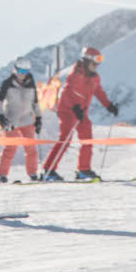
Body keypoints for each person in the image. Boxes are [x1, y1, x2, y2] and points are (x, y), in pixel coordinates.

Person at [40, 46, 118, 181]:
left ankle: (84, 170)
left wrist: (109, 106)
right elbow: (68, 92)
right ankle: (49, 170)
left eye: (98, 62)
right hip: (67, 111)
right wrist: (74, 107)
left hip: (81, 113)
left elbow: (98, 92)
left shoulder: (94, 77)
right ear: (87, 61)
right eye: (95, 62)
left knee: (87, 138)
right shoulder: (75, 74)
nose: (97, 65)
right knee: (65, 139)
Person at [0, 56, 42, 183]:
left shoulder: (31, 84)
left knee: (31, 149)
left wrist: (38, 118)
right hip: (11, 120)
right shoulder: (7, 83)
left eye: (25, 72)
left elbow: (35, 102)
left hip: (27, 120)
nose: (23, 75)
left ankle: (33, 174)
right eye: (20, 71)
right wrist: (1, 116)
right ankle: (2, 175)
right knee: (10, 148)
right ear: (15, 70)